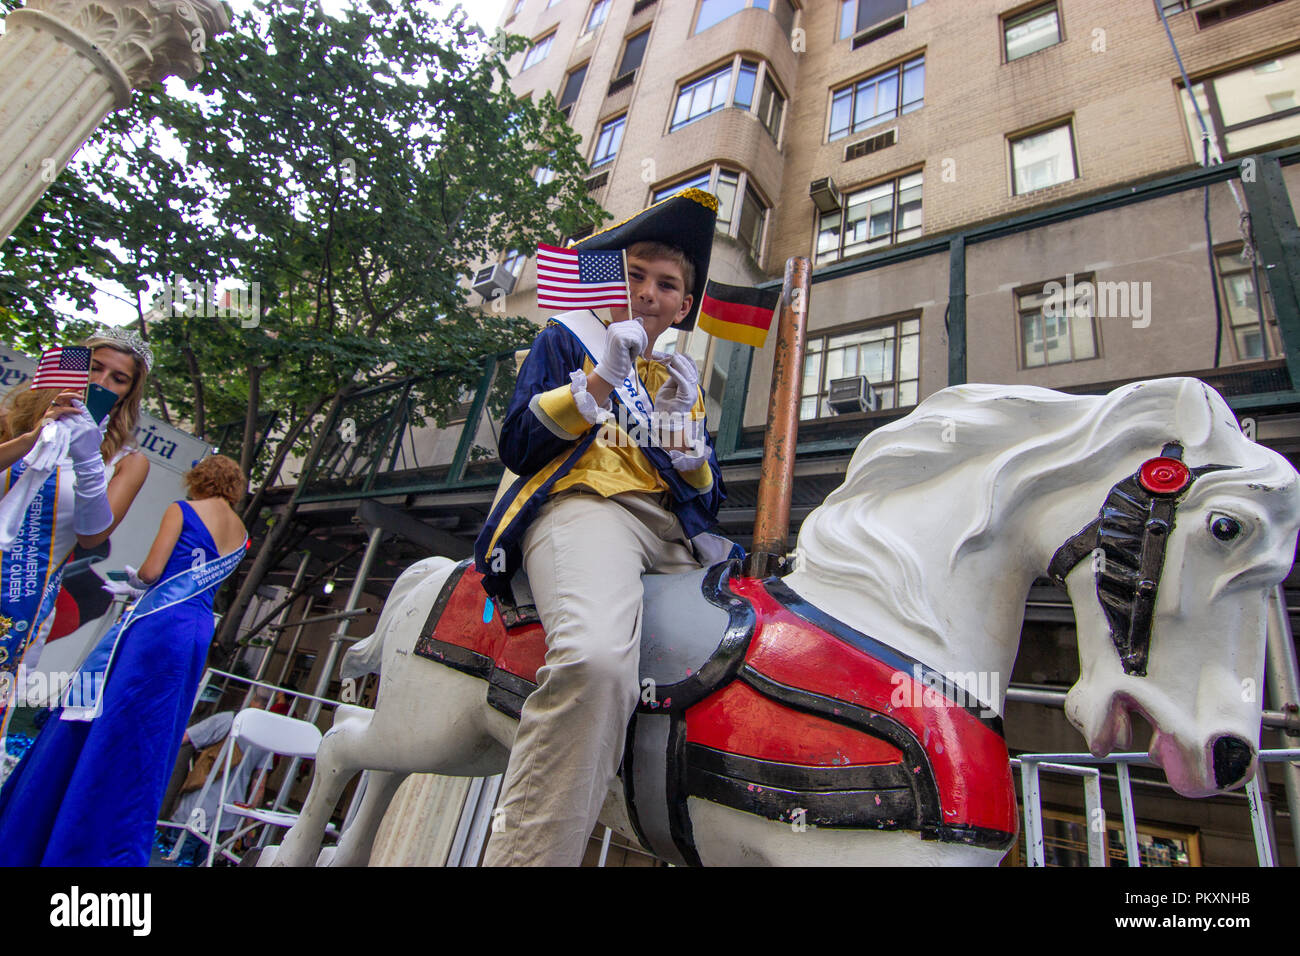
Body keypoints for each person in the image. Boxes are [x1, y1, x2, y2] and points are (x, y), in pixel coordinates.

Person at [474, 188, 729, 866]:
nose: (649, 292)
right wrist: (595, 386)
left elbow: (709, 503)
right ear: (614, 282)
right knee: (594, 660)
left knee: (746, 661)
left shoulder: (684, 378)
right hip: (587, 508)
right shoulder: (566, 337)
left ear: (681, 305)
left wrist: (689, 449)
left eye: (667, 284)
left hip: (672, 537)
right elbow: (519, 445)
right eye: (636, 274)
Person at [0, 455, 249, 866]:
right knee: (152, 729)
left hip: (158, 624)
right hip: (196, 630)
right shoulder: (241, 534)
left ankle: (56, 814)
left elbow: (152, 572)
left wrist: (134, 581)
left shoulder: (183, 509)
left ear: (199, 478)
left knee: (102, 711)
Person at [0, 329, 153, 766]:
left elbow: (93, 535)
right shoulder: (13, 420)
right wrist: (31, 441)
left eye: (119, 378)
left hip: (21, 600)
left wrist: (88, 459)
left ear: (128, 392)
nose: (102, 382)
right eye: (94, 367)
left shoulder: (126, 459)